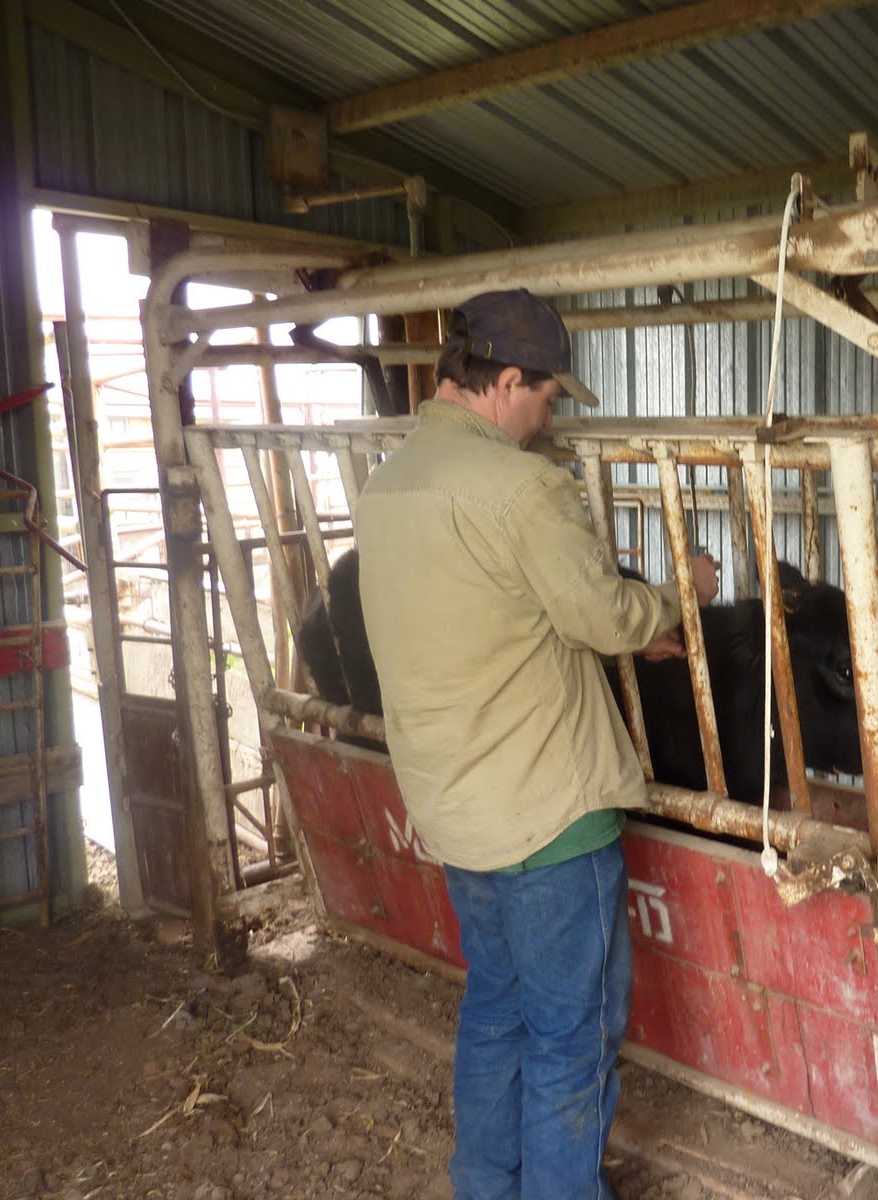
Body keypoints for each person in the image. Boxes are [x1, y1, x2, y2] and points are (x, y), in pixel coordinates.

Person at [353, 288, 719, 1199]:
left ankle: (485, 1186)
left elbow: (496, 612)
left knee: (496, 1010)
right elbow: (598, 612)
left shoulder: (387, 483)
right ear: (506, 381)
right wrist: (681, 597)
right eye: (548, 396)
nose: (550, 415)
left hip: (454, 812)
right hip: (548, 821)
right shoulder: (521, 488)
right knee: (570, 1039)